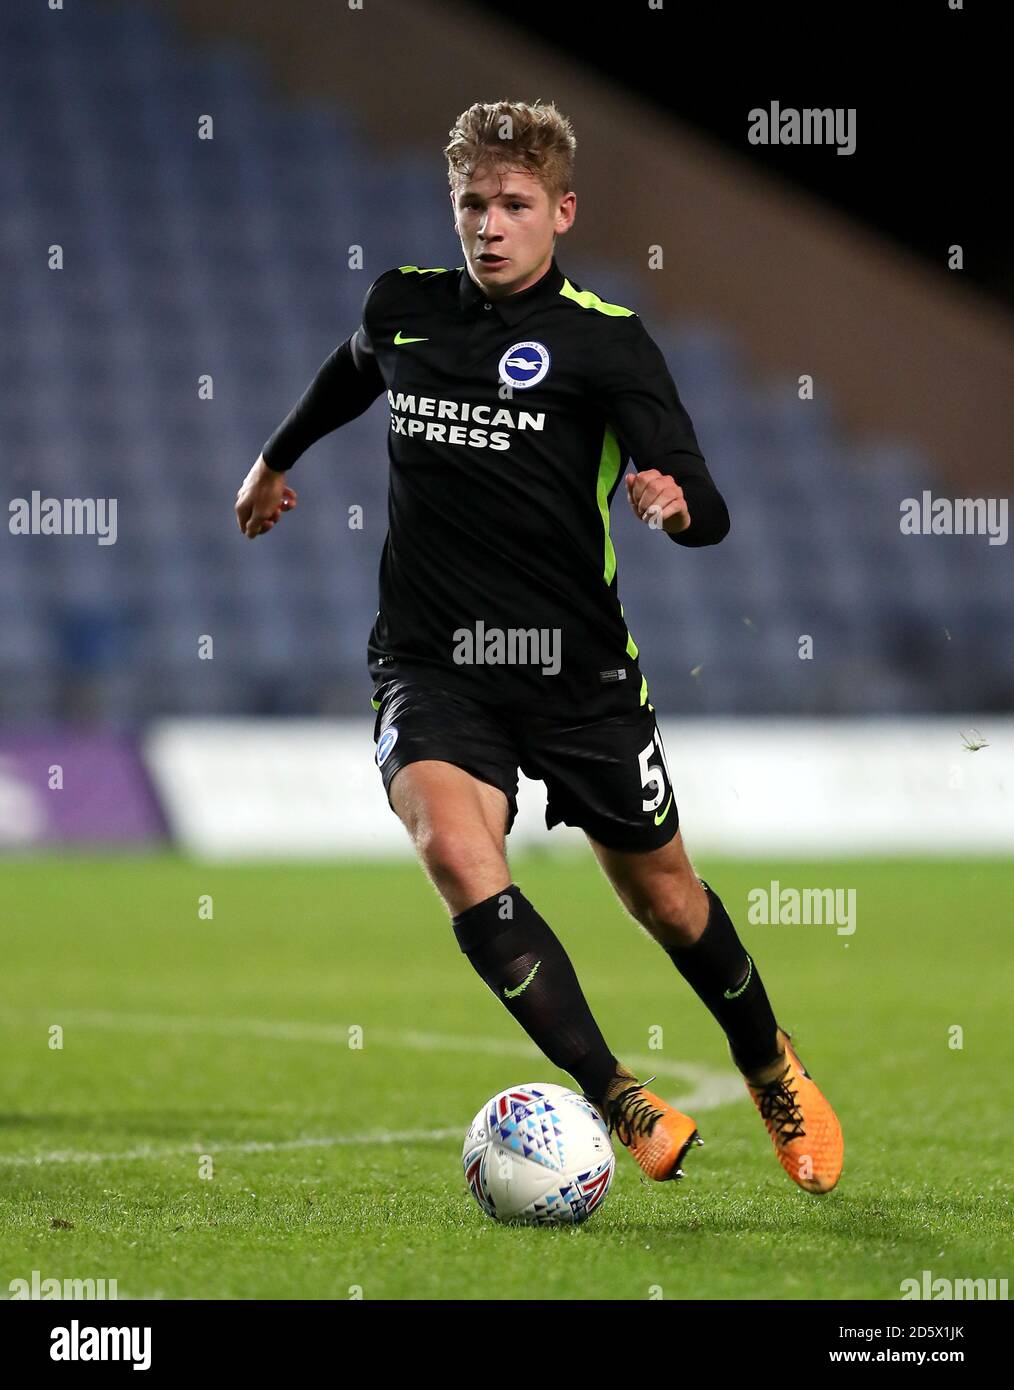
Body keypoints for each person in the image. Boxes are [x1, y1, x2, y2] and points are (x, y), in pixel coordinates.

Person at [235, 99, 843, 1194]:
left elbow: (706, 501)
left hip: (577, 677)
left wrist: (673, 503)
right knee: (459, 857)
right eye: (473, 202)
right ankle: (618, 1095)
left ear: (561, 211)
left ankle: (768, 1061)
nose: (490, 223)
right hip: (431, 662)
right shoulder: (405, 306)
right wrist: (274, 460)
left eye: (514, 203)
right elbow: (349, 366)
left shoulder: (607, 343)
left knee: (667, 898)